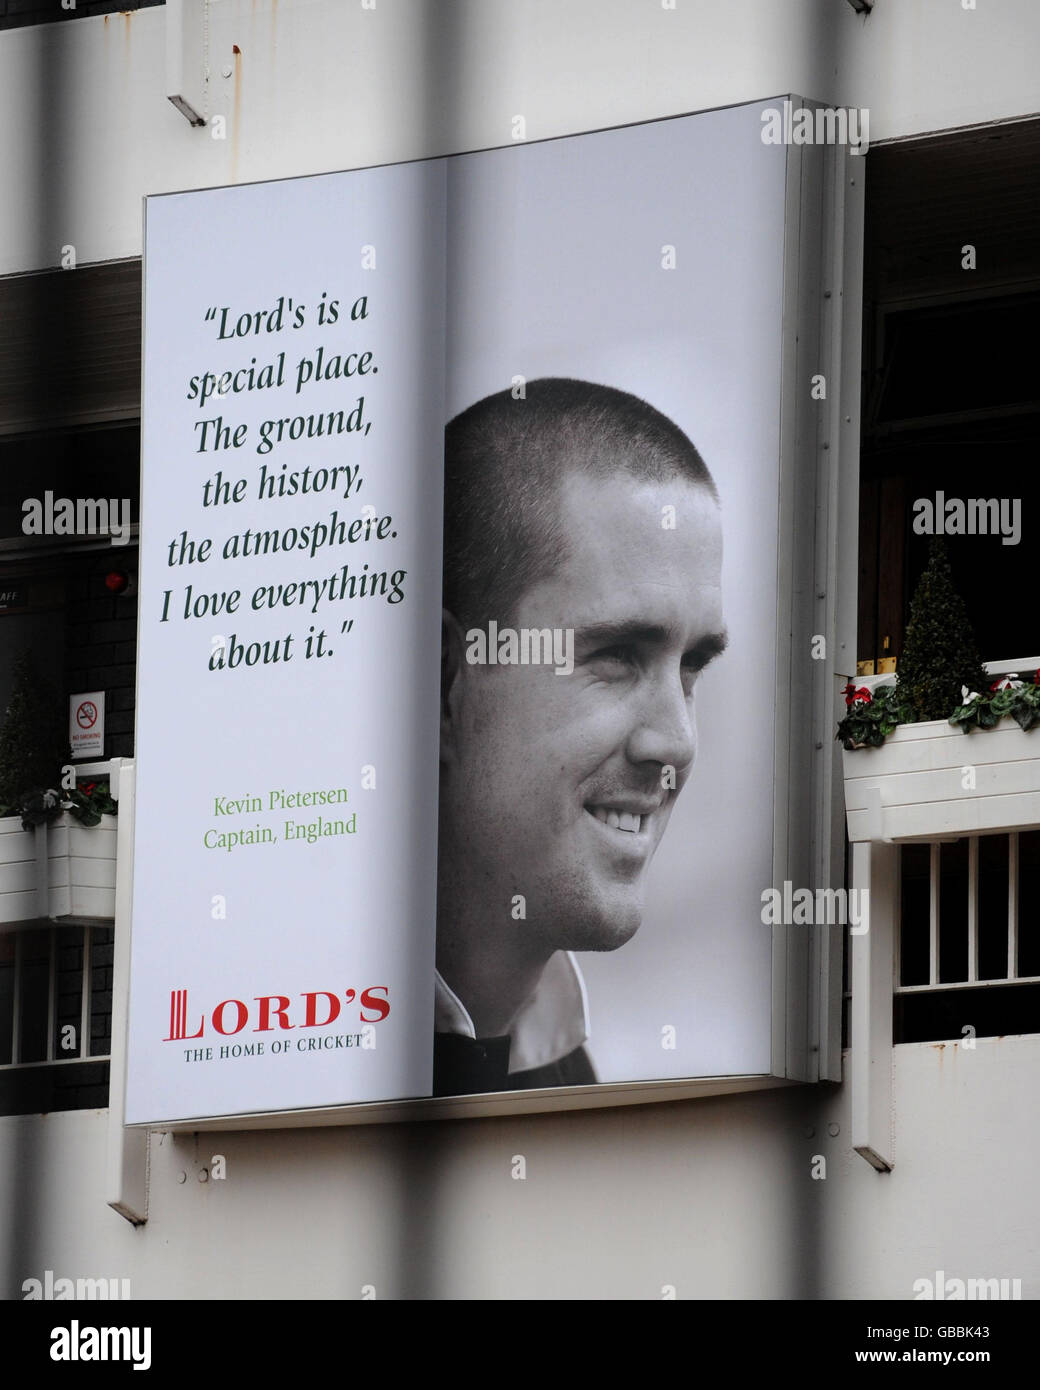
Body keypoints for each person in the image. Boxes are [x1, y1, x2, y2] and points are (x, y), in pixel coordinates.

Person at [434, 378, 727, 1095]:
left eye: (690, 667)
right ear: (442, 678)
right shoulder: (268, 1064)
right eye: (618, 655)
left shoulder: (567, 1079)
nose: (677, 743)